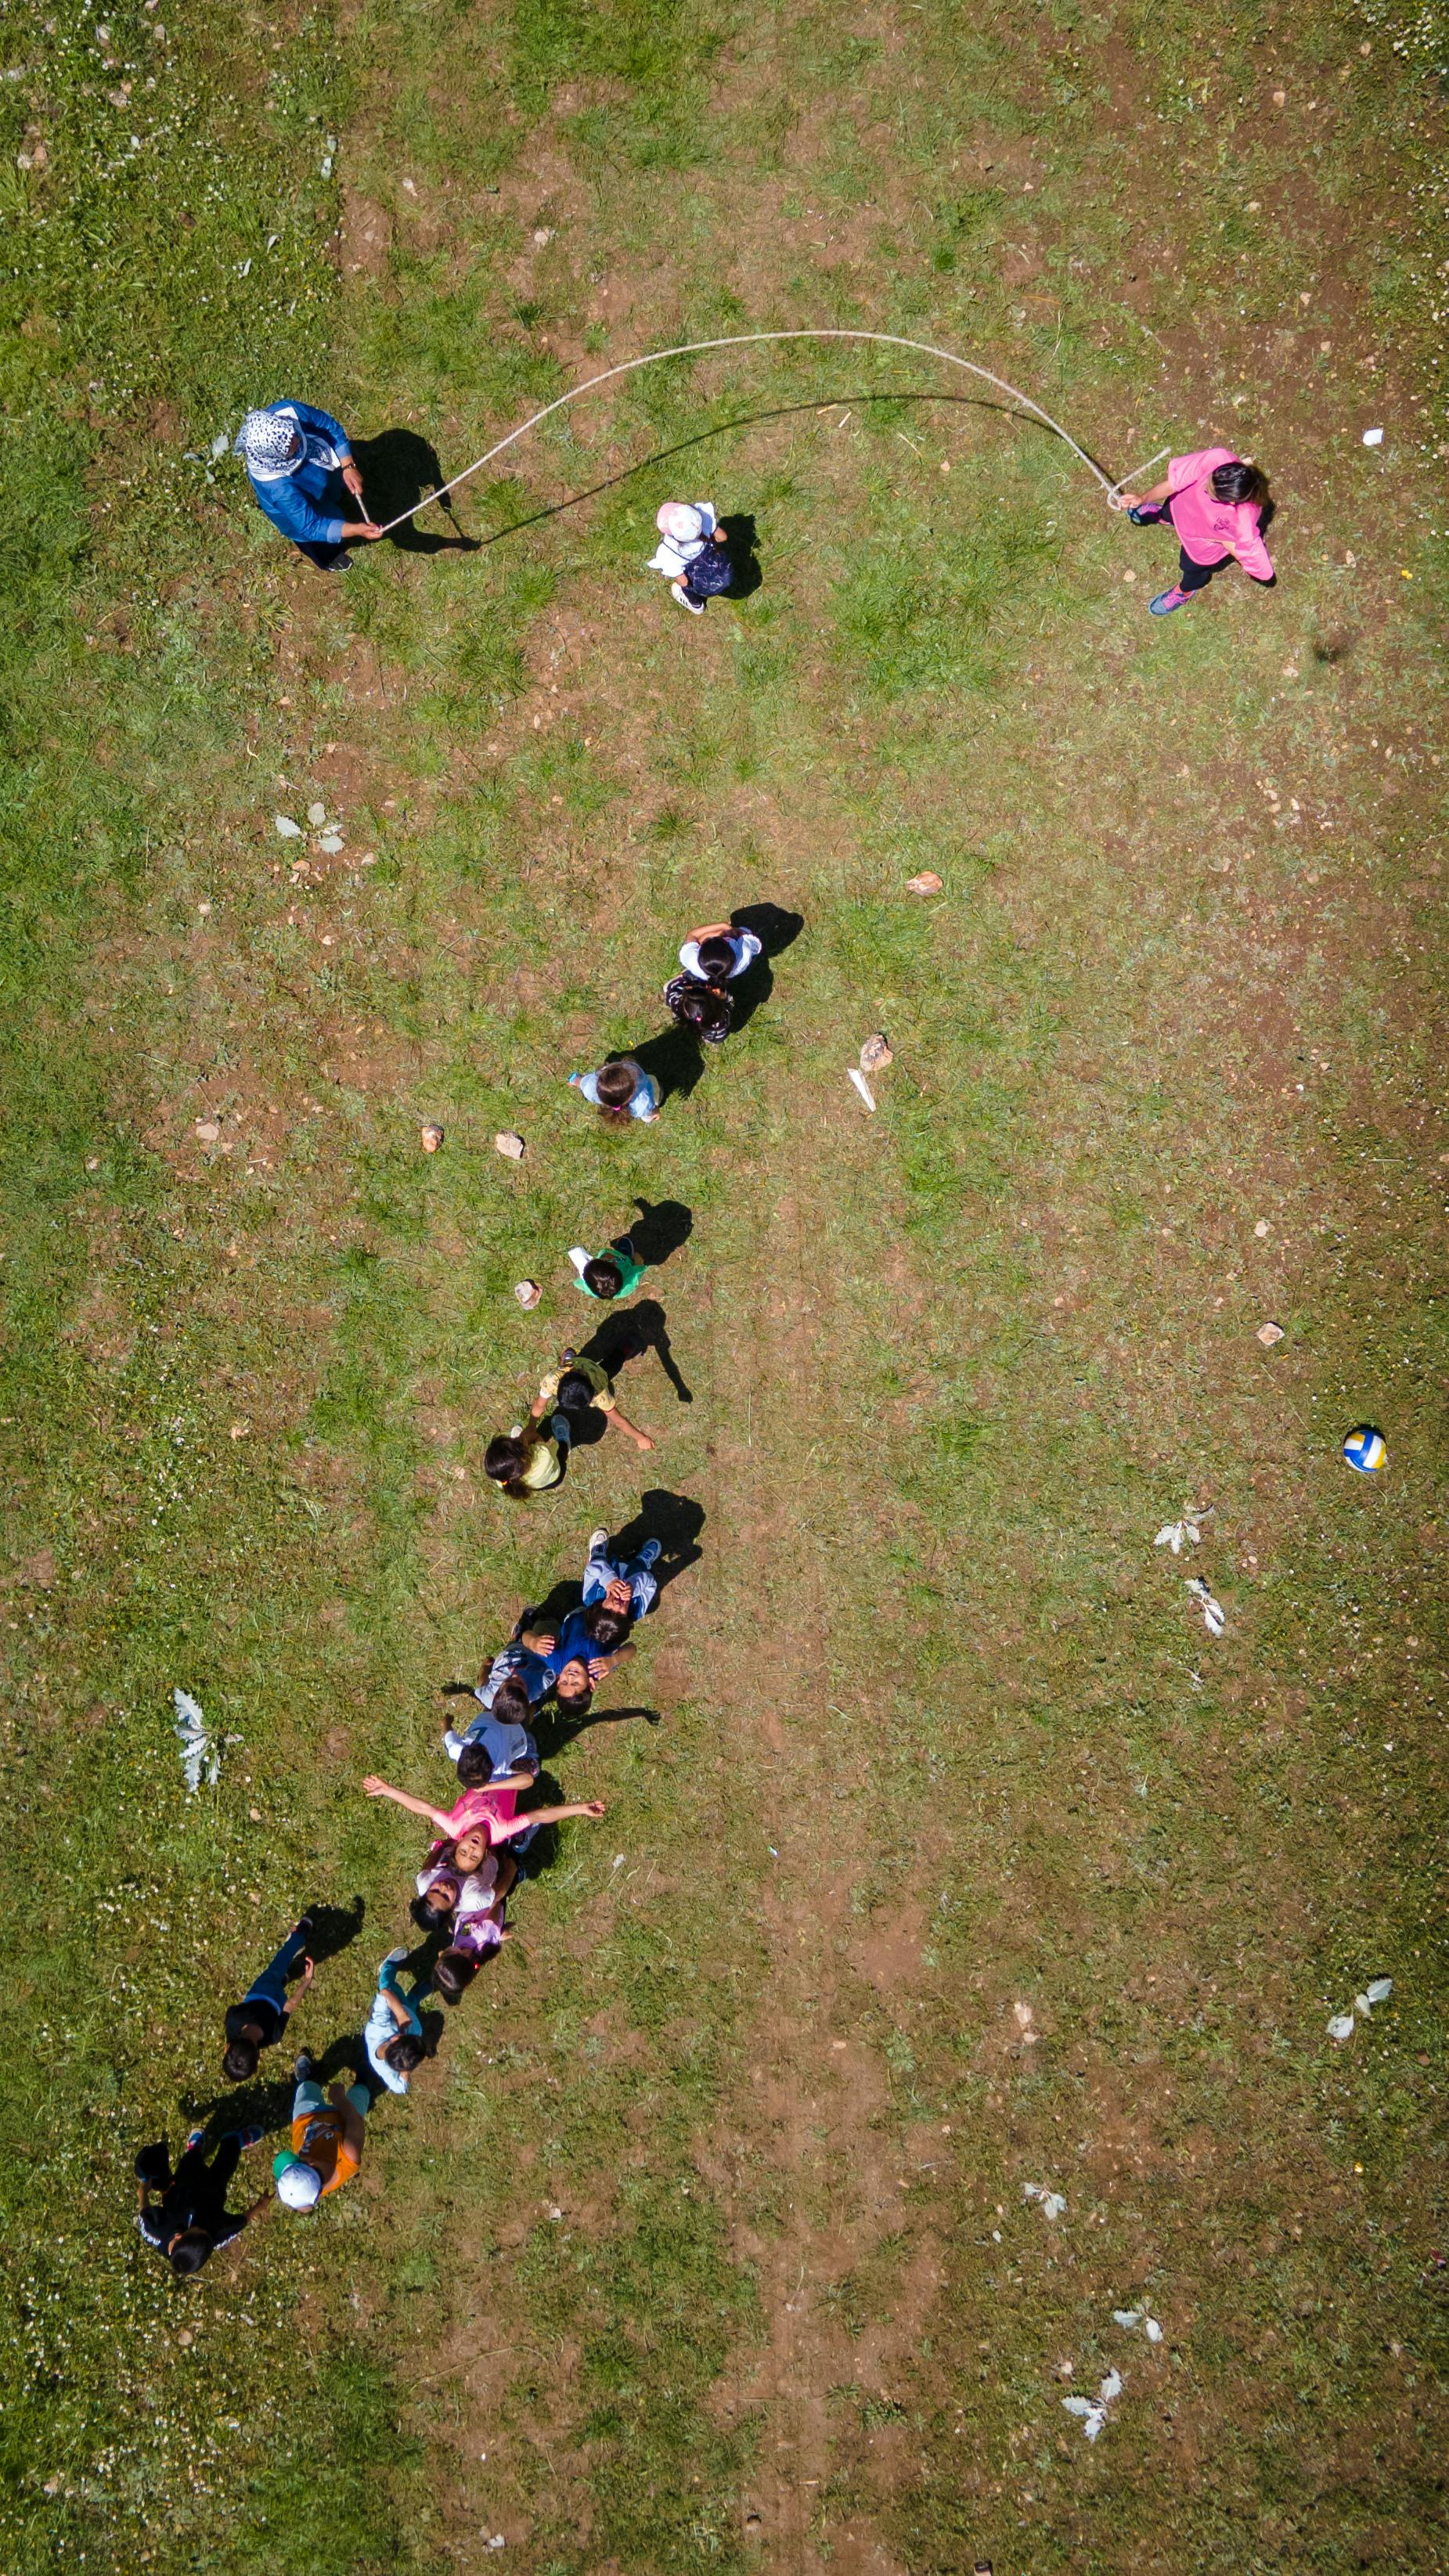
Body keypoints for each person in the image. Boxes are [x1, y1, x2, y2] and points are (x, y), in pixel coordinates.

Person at [1109, 448, 1275, 616]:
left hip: (1198, 547)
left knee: (1191, 568)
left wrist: (1225, 542)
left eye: (1210, 492)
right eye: (1209, 480)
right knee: (1167, 512)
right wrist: (1142, 498)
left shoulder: (1242, 520)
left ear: (1231, 502)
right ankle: (1162, 516)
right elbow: (1174, 484)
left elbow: (1262, 567)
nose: (1203, 486)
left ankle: (1185, 591)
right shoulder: (1216, 459)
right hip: (1179, 507)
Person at [235, 402, 382, 569]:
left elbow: (328, 424)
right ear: (277, 458)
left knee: (331, 488)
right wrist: (357, 530)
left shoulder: (288, 412)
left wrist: (348, 465)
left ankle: (333, 495)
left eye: (294, 434)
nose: (298, 439)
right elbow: (311, 526)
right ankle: (328, 558)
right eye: (291, 446)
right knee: (315, 542)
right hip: (301, 507)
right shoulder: (280, 490)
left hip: (316, 471)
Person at [135, 2127, 268, 2274]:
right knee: (225, 2164)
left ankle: (194, 2149)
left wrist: (143, 2192)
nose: (204, 2229)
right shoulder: (210, 2239)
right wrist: (260, 2206)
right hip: (212, 2194)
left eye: (199, 2229)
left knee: (188, 2163)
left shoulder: (157, 2231)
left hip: (180, 2189)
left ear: (179, 2236)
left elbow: (144, 2214)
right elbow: (240, 2223)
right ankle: (234, 2141)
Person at [362, 1771, 606, 1846]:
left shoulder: (455, 1827)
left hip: (484, 1766)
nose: (471, 1849)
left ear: (459, 1843)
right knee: (532, 1767)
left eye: (464, 1851)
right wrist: (581, 1808)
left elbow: (423, 1808)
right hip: (512, 1772)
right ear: (484, 1856)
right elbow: (529, 1788)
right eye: (475, 1856)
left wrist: (388, 1790)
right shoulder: (500, 1831)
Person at [221, 1912, 315, 2082]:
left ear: (258, 2056)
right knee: (280, 1962)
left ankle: (284, 1980)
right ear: (227, 2047)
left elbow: (290, 2005)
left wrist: (306, 1981)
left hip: (278, 2002)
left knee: (280, 1979)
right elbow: (235, 2009)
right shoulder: (233, 2020)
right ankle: (299, 1935)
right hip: (261, 1990)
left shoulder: (273, 2036)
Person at [273, 2062, 369, 2210]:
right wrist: (339, 2099)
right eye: (297, 2161)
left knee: (306, 2088)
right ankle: (364, 2075)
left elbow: (305, 2209)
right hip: (344, 2116)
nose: (297, 2156)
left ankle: (306, 2079)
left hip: (305, 2117)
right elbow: (353, 2119)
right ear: (310, 2162)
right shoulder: (349, 2156)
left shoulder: (309, 2193)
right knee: (360, 2094)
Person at [530, 1351, 656, 1455]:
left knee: (612, 1365)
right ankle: (624, 1349)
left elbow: (540, 1405)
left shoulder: (552, 1379)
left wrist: (531, 1425)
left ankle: (569, 1362)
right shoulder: (600, 1394)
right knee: (614, 1362)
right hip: (596, 1371)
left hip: (595, 1371)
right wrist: (639, 1437)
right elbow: (619, 1421)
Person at [363, 1947, 432, 2095]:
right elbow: (400, 2088)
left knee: (386, 1984)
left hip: (395, 2004)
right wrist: (405, 2067)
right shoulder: (391, 2069)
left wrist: (400, 2014)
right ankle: (416, 1995)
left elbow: (385, 1994)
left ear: (395, 2038)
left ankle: (388, 1966)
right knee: (411, 2004)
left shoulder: (377, 2030)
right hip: (408, 2010)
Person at [646, 501, 733, 614]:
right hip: (726, 570)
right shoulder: (703, 519)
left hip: (707, 586)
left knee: (683, 587)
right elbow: (723, 537)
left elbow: (684, 582)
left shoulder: (668, 552)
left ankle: (697, 605)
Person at [483, 1421, 564, 1500]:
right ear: (524, 1458)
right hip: (555, 1475)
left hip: (539, 1484)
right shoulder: (543, 1455)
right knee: (560, 1450)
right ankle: (564, 1442)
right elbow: (536, 1437)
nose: (517, 1439)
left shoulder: (503, 1479)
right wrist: (524, 1437)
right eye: (515, 1441)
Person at [568, 1057, 661, 1124]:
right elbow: (648, 1109)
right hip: (642, 1106)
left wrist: (574, 1079)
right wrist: (655, 1111)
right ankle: (650, 1117)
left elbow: (582, 1082)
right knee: (653, 1089)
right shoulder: (643, 1103)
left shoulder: (590, 1089)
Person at [567, 1232, 648, 1304]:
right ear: (613, 1263)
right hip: (625, 1261)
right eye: (604, 1260)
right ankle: (624, 1254)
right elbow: (639, 1263)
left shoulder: (588, 1287)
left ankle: (621, 1253)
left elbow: (578, 1283)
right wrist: (636, 1257)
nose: (604, 1257)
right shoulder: (631, 1280)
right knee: (623, 1258)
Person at [676, 922, 763, 984]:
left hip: (700, 972)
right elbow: (751, 939)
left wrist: (717, 930)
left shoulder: (691, 960)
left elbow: (692, 935)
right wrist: (728, 929)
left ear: (699, 955)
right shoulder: (744, 952)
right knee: (744, 930)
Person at [661, 975, 734, 1046]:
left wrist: (684, 977)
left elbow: (669, 988)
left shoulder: (676, 1004)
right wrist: (724, 996)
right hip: (716, 1037)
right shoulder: (722, 1017)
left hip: (701, 1030)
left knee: (666, 988)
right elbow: (729, 1003)